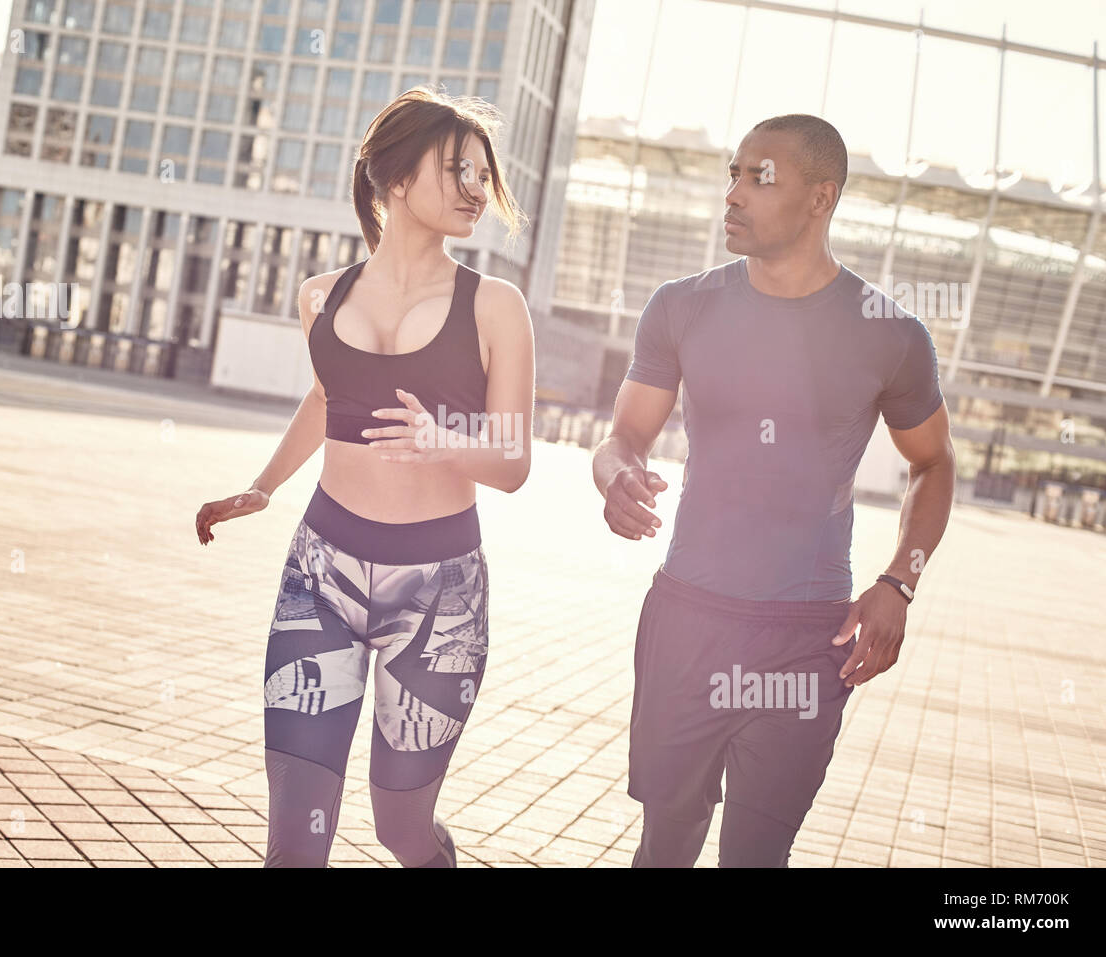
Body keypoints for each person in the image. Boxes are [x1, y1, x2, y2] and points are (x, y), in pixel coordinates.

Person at [592, 114, 957, 867]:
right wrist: (615, 475)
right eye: (731, 173)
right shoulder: (681, 306)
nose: (732, 193)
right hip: (687, 616)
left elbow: (934, 462)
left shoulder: (889, 333)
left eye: (758, 177)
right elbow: (622, 436)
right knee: (665, 840)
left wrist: (900, 583)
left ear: (821, 197)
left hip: (806, 635)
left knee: (757, 853)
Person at [195, 88, 535, 868]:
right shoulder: (322, 296)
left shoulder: (495, 307)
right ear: (394, 177)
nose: (477, 189)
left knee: (401, 831)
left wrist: (441, 440)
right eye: (457, 170)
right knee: (295, 841)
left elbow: (513, 463)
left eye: (484, 174)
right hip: (320, 573)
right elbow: (325, 395)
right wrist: (266, 483)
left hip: (440, 595)